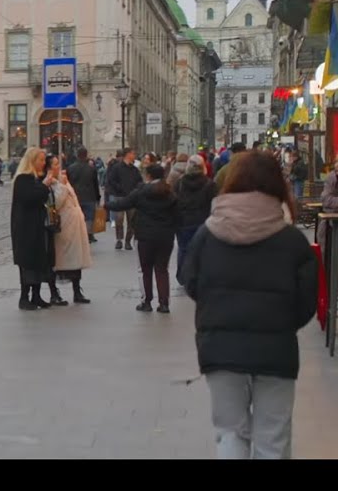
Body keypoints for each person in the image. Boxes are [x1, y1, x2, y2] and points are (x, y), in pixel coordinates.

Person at [179, 150, 317, 459]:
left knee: (230, 434)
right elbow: (307, 300)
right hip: (276, 352)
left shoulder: (208, 233)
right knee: (273, 438)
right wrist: (280, 322)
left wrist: (217, 311)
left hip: (220, 350)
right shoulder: (292, 240)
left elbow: (190, 281)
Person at [106, 163, 180, 313]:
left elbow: (123, 203)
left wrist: (107, 205)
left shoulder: (140, 192)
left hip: (145, 236)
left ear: (148, 176)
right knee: (162, 270)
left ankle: (146, 301)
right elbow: (178, 214)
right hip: (165, 236)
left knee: (145, 270)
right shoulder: (170, 193)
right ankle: (164, 303)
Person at [11, 147, 56, 310]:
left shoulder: (37, 178)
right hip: (26, 229)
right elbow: (30, 198)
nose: (44, 163)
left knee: (39, 261)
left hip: (38, 227)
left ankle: (36, 296)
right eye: (41, 160)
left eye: (44, 160)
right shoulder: (23, 179)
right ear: (32, 161)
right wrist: (44, 186)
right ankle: (24, 298)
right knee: (28, 263)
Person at [46, 154, 93, 303]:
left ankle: (77, 291)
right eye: (54, 164)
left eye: (57, 164)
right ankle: (54, 293)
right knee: (59, 261)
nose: (58, 166)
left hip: (74, 226)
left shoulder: (61, 179)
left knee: (76, 260)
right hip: (62, 227)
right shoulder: (48, 183)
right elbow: (55, 203)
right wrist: (63, 186)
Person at [173, 155, 215, 276]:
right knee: (202, 249)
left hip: (183, 221)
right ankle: (199, 273)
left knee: (184, 249)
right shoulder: (209, 184)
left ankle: (182, 274)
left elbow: (175, 200)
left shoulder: (180, 183)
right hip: (203, 221)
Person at [104, 148, 143, 250]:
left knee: (132, 220)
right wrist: (119, 188)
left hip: (132, 197)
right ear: (127, 155)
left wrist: (136, 190)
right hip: (119, 197)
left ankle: (128, 241)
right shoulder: (117, 168)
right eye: (133, 153)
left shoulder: (134, 170)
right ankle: (119, 239)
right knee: (119, 219)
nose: (134, 155)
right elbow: (111, 180)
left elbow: (139, 182)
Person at [66, 147, 101, 243]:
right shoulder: (91, 169)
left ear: (77, 155)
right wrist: (98, 197)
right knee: (89, 218)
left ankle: (79, 235)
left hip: (76, 197)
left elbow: (68, 183)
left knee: (77, 217)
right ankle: (88, 234)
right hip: (90, 196)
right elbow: (95, 184)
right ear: (86, 155)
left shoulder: (70, 168)